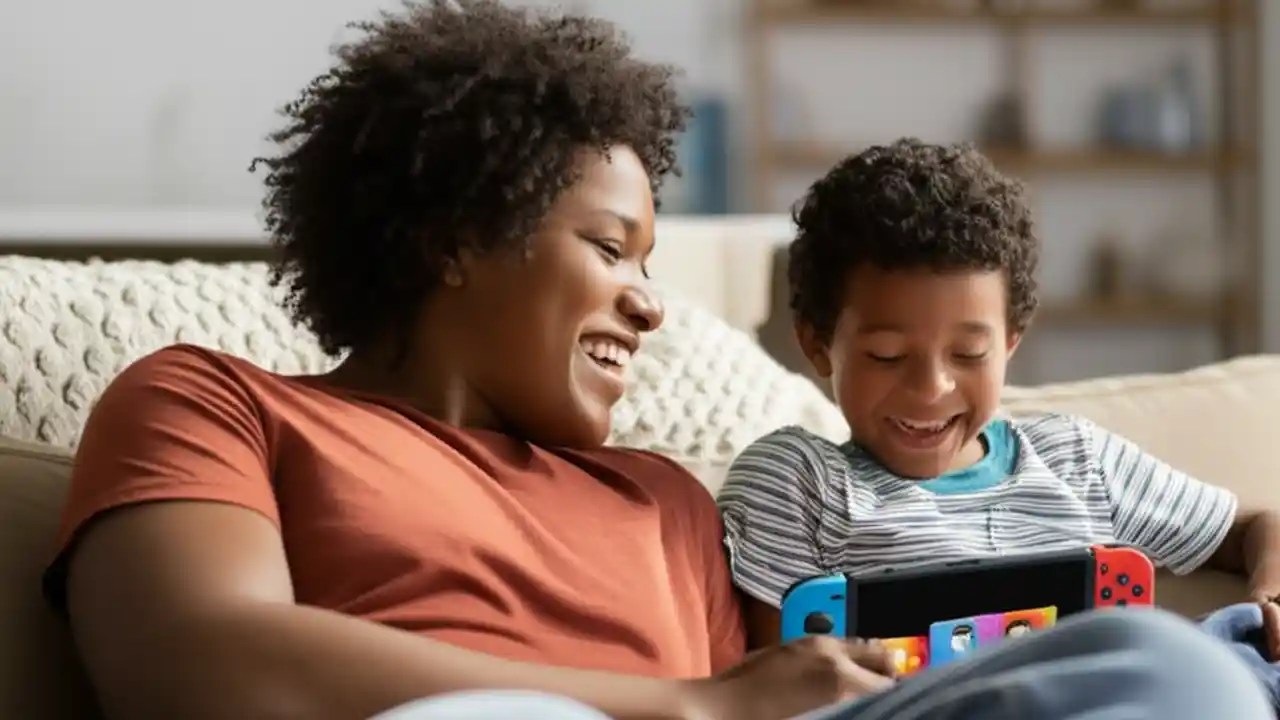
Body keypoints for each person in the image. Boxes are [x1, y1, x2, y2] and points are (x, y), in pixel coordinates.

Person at [40, 2, 1271, 717]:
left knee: (1161, 664)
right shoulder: (214, 404)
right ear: (454, 239)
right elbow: (194, 659)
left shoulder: (668, 501)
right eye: (612, 251)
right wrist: (691, 705)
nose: (652, 306)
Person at [715, 138, 1280, 707]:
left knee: (1232, 641)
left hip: (1114, 697)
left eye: (968, 355)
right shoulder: (796, 481)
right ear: (817, 345)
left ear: (1009, 344)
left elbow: (1254, 527)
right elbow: (778, 691)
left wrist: (1271, 592)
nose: (931, 388)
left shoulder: (1076, 461)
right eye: (887, 356)